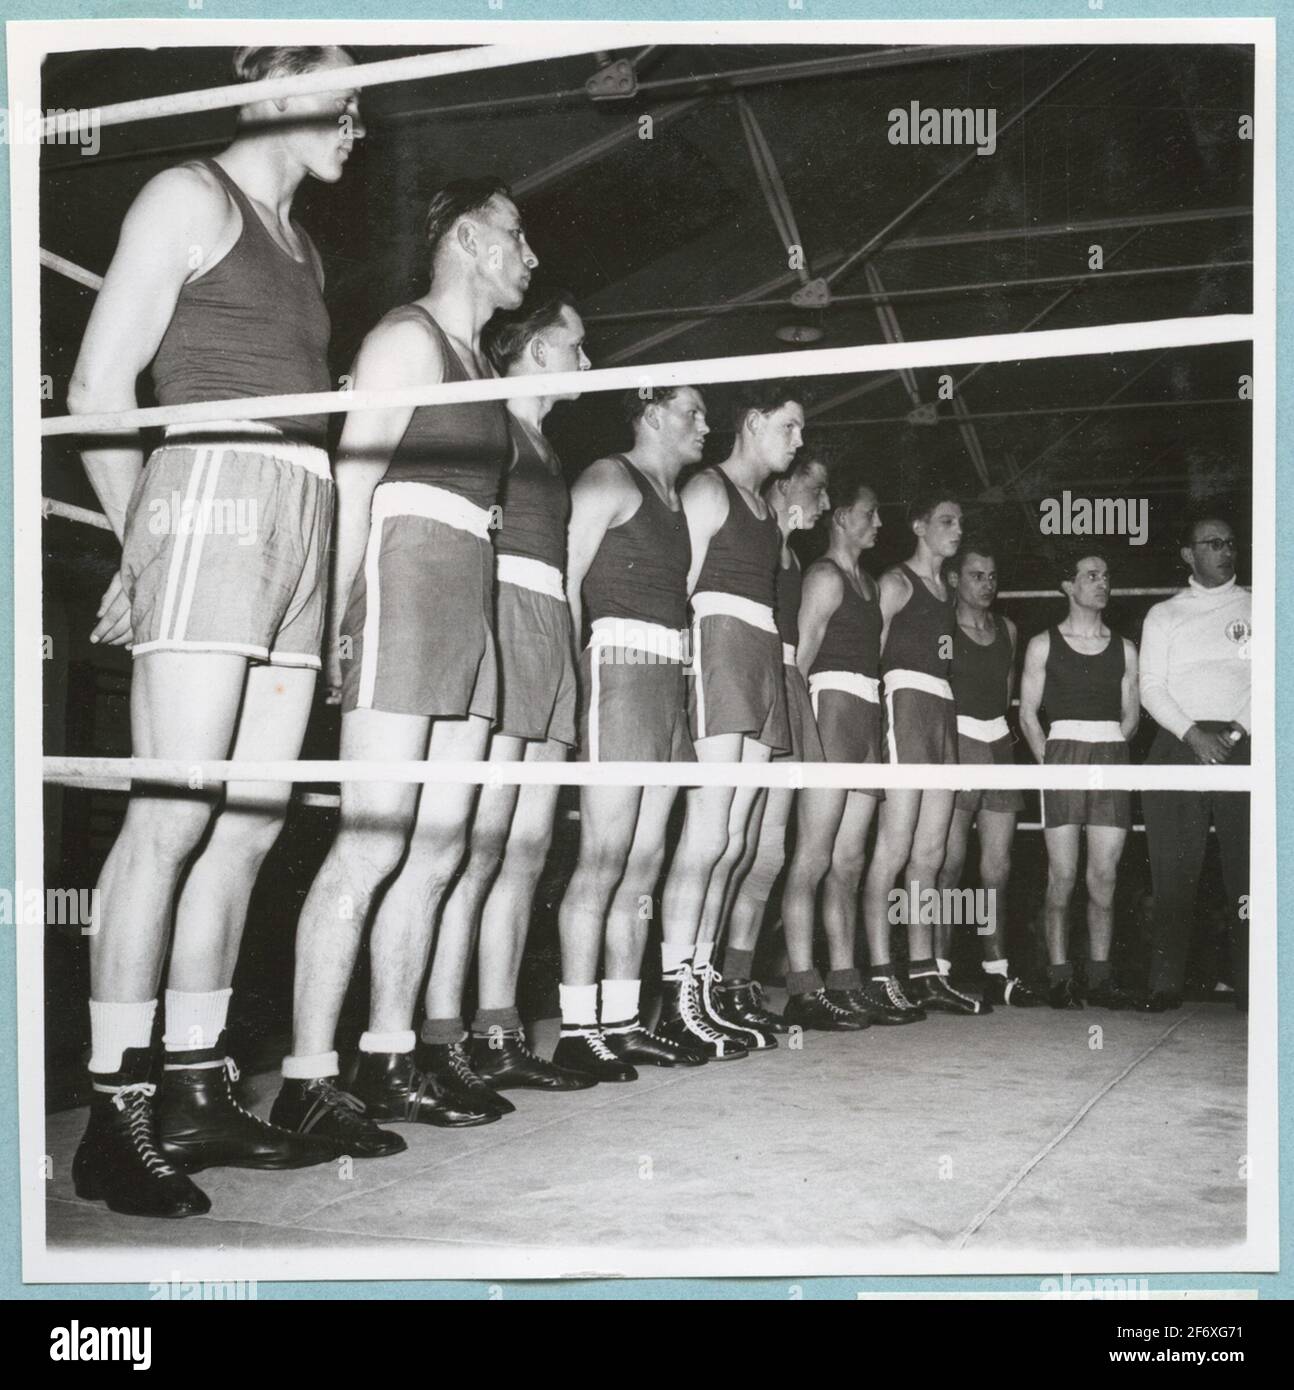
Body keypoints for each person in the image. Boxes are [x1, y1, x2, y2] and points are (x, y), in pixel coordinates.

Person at [68, 46, 363, 1219]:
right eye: (344, 97)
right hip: (212, 491)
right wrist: (151, 540)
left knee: (250, 820)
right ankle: (112, 1109)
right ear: (281, 87)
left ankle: (193, 1083)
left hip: (297, 511)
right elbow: (98, 388)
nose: (359, 123)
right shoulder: (188, 196)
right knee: (175, 809)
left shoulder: (306, 244)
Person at [272, 178, 537, 1140]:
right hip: (404, 585)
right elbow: (350, 481)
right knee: (374, 841)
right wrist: (328, 628)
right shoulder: (403, 341)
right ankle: (307, 1079)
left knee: (438, 847)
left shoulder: (476, 360)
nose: (530, 255)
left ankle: (389, 1059)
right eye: (516, 235)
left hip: (474, 596)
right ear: (467, 237)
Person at [421, 289, 596, 1095]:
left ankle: (498, 1029)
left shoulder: (545, 444)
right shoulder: (488, 421)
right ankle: (438, 1034)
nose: (587, 362)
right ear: (534, 351)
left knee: (526, 849)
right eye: (576, 345)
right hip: (505, 612)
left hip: (550, 623)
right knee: (477, 845)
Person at [551, 387, 714, 1081]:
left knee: (644, 860)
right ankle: (574, 1027)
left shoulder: (677, 502)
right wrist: (570, 683)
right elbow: (566, 581)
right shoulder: (607, 477)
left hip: (666, 680)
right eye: (692, 412)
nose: (705, 426)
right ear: (651, 415)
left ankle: (620, 1020)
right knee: (604, 854)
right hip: (616, 670)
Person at [656, 383, 803, 1056]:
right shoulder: (708, 490)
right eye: (789, 427)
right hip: (717, 650)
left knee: (738, 837)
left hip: (760, 655)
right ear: (751, 424)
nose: (798, 442)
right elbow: (673, 589)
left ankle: (704, 982)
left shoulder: (765, 515)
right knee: (709, 828)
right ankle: (673, 992)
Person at [781, 473, 909, 1029]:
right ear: (841, 518)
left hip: (866, 712)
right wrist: (799, 739)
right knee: (811, 856)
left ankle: (843, 980)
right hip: (828, 708)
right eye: (871, 512)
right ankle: (802, 989)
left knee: (849, 860)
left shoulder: (870, 585)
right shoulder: (825, 576)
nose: (879, 523)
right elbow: (799, 660)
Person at [859, 492, 988, 1017]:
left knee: (931, 853)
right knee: (892, 846)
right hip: (904, 705)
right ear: (918, 526)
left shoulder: (946, 592)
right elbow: (871, 652)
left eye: (960, 521)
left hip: (942, 711)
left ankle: (924, 971)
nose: (957, 530)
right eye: (946, 521)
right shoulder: (895, 582)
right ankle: (878, 974)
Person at [716, 450, 831, 1035]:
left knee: (768, 853)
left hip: (783, 686)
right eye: (817, 488)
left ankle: (735, 980)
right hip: (747, 680)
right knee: (729, 842)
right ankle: (703, 978)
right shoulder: (754, 535)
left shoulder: (788, 551)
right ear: (785, 485)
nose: (825, 503)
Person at [1018, 549, 1140, 1010]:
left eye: (1106, 575)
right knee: (1063, 875)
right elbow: (1028, 716)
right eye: (1091, 575)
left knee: (1103, 876)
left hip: (1110, 753)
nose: (1102, 583)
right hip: (1062, 753)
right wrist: (1051, 763)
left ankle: (1101, 979)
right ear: (1068, 586)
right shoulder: (1042, 644)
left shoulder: (1126, 647)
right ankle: (1060, 977)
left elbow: (1130, 718)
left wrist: (1106, 749)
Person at [1139, 513, 1250, 1013]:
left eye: (1229, 543)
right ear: (1188, 554)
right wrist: (1193, 735)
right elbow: (1150, 688)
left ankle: (1253, 984)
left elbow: (1271, 678)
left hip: (1241, 741)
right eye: (1212, 544)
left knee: (1249, 872)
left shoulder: (1260, 606)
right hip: (1178, 740)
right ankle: (1164, 984)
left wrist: (1232, 733)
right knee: (1172, 868)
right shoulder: (1164, 615)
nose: (1225, 551)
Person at [936, 542, 1043, 1006]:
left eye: (993, 576)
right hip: (955, 743)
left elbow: (1003, 695)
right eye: (977, 575)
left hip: (998, 743)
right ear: (955, 580)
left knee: (997, 868)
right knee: (948, 864)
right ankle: (935, 971)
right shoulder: (941, 628)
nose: (987, 584)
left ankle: (996, 969)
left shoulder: (1009, 629)